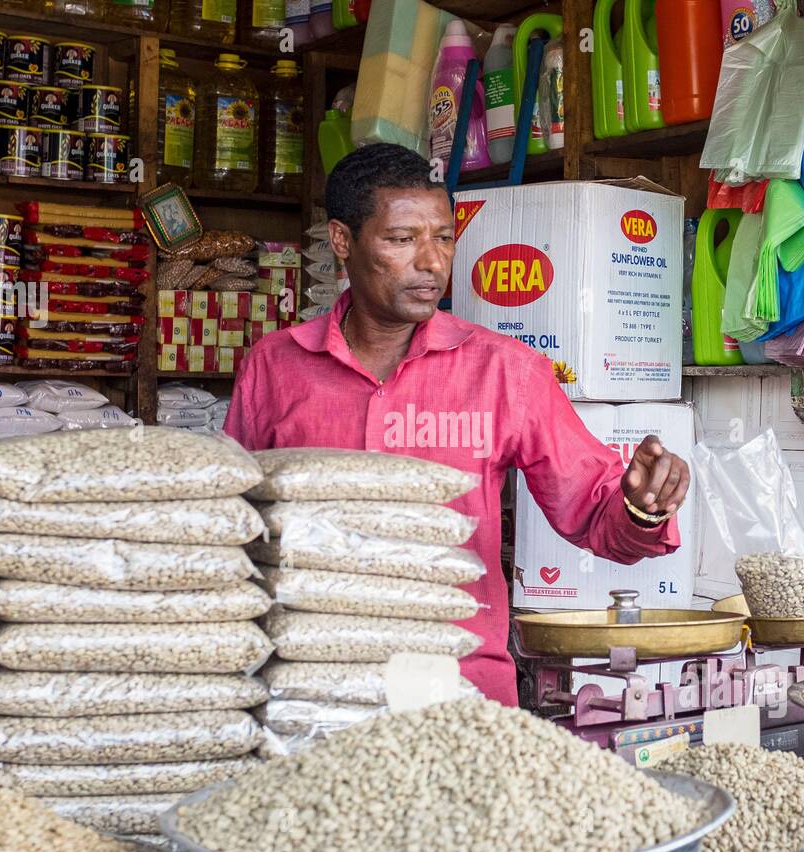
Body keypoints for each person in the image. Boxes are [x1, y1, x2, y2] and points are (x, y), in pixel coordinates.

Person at [225, 144, 690, 706]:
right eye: (402, 239)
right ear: (343, 240)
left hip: (459, 687)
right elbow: (235, 526)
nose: (431, 262)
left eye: (444, 238)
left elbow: (592, 513)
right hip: (311, 686)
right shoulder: (276, 367)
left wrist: (642, 506)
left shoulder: (505, 371)